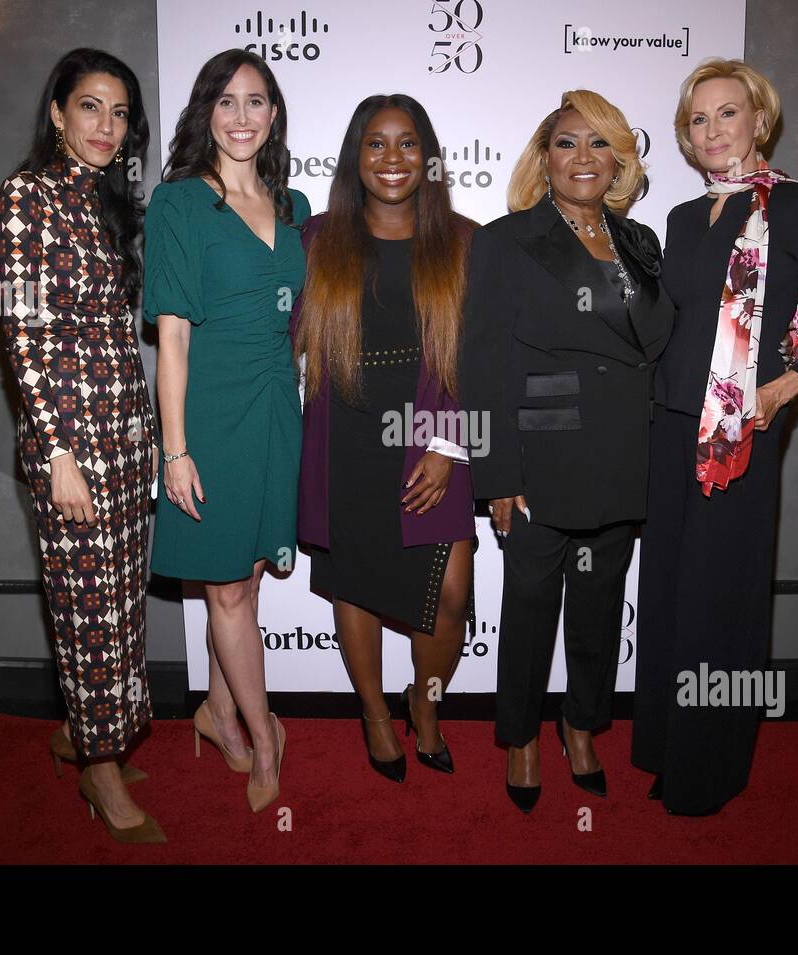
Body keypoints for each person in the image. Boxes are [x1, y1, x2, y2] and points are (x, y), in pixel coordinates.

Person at [632, 58, 798, 815]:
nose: (712, 130)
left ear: (758, 121)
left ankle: (709, 769)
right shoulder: (682, 218)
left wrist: (780, 389)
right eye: (698, 119)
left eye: (727, 113)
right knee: (671, 593)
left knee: (718, 600)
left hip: (738, 433)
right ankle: (668, 747)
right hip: (668, 431)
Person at [460, 91, 674, 812]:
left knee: (600, 604)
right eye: (566, 143)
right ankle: (520, 734)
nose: (583, 157)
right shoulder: (504, 240)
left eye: (598, 143)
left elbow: (658, 348)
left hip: (624, 457)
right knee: (527, 606)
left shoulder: (640, 242)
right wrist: (495, 475)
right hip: (539, 461)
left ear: (619, 157)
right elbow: (481, 363)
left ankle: (582, 722)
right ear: (543, 158)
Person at [0, 48, 163, 842]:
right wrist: (58, 452)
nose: (107, 125)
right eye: (90, 106)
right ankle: (99, 771)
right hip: (75, 449)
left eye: (120, 112)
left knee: (121, 604)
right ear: (58, 112)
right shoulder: (26, 197)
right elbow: (24, 333)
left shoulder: (103, 201)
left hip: (126, 439)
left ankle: (96, 733)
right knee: (86, 611)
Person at [293, 94, 477, 782]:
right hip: (345, 441)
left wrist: (444, 442)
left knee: (451, 592)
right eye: (376, 143)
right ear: (354, 157)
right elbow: (269, 342)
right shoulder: (316, 240)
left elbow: (482, 360)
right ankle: (374, 713)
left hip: (433, 437)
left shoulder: (464, 241)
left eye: (407, 144)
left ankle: (424, 706)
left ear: (427, 157)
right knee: (357, 585)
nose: (392, 158)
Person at [144, 49, 308, 813]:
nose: (242, 117)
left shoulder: (294, 205)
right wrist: (174, 448)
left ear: (273, 114)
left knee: (240, 581)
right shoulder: (179, 204)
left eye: (257, 101)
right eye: (227, 101)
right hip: (210, 412)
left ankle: (215, 710)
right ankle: (262, 733)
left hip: (278, 406)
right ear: (206, 111)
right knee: (228, 591)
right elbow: (171, 336)